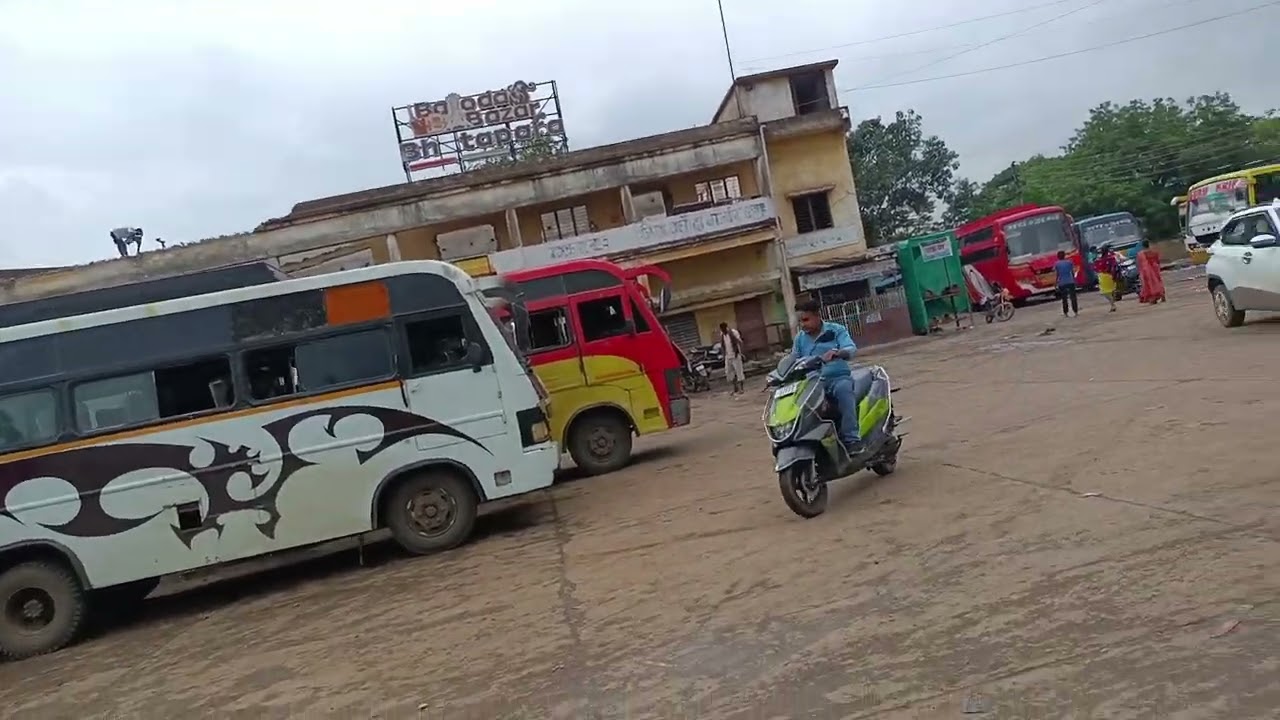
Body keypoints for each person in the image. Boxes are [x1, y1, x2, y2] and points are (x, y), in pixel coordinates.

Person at [791, 300, 861, 454]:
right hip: (812, 383)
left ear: (817, 316)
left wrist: (838, 353)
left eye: (806, 320)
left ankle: (852, 439)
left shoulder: (836, 330)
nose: (802, 325)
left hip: (837, 379)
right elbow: (793, 360)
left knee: (844, 391)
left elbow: (851, 348)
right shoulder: (799, 339)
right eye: (800, 321)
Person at [1135, 239, 1166, 304]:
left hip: (1146, 270)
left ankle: (1153, 298)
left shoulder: (1140, 254)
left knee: (1149, 284)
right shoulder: (1154, 252)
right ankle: (1162, 295)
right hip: (1155, 268)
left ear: (1143, 246)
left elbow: (1139, 264)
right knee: (1158, 281)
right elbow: (1158, 261)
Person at [718, 322, 745, 395]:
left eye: (723, 329)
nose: (723, 331)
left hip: (735, 355)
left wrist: (740, 353)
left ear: (726, 327)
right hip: (728, 356)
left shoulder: (733, 332)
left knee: (739, 372)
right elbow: (723, 346)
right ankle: (735, 388)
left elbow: (739, 342)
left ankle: (741, 389)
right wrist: (724, 355)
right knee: (729, 372)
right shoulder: (722, 335)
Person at [1093, 246, 1119, 312]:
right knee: (1111, 290)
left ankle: (1113, 305)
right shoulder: (1111, 258)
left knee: (1105, 292)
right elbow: (1115, 266)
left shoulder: (1100, 259)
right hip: (1111, 276)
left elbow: (1096, 268)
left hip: (1104, 276)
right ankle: (1113, 304)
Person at [1053, 250, 1079, 317]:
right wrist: (1074, 280)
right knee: (1073, 297)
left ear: (1058, 257)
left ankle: (1066, 313)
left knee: (1064, 298)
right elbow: (1072, 272)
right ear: (1064, 256)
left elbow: (1057, 274)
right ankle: (1075, 311)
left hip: (1062, 282)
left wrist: (1055, 283)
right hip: (1070, 281)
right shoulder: (1069, 262)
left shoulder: (1056, 264)